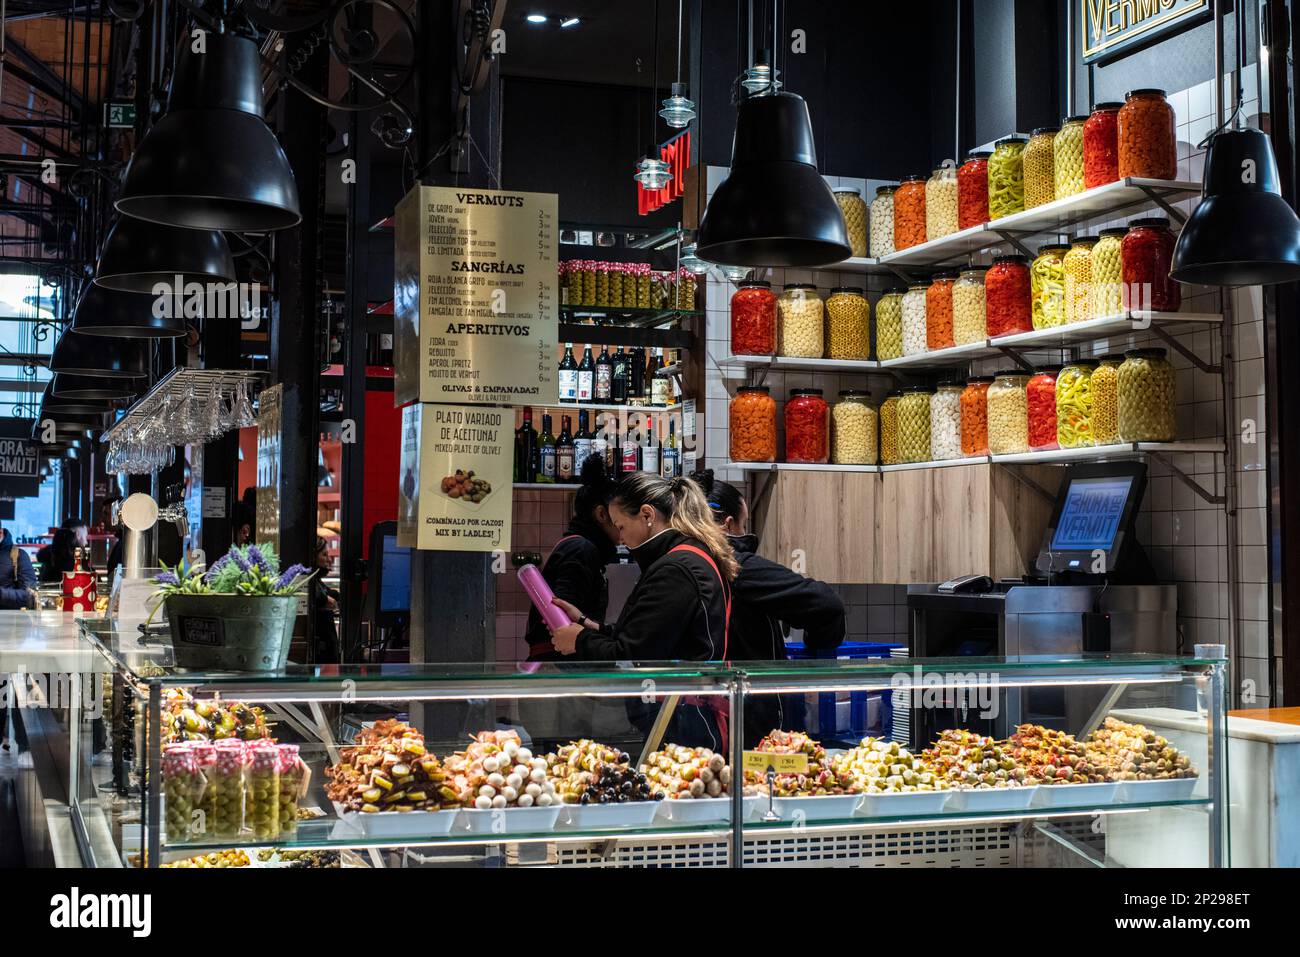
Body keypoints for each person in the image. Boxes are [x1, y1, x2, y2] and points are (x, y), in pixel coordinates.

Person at [548, 472, 738, 750]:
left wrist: (578, 640)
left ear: (647, 515)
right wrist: (590, 626)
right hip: (685, 718)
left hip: (685, 724)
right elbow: (651, 636)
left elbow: (633, 654)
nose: (620, 538)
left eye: (621, 526)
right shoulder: (687, 557)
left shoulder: (676, 568)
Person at [693, 469, 846, 746]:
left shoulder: (679, 564)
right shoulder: (737, 567)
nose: (746, 533)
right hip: (747, 722)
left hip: (695, 723)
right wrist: (817, 652)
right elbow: (826, 604)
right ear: (727, 525)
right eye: (744, 525)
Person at [523, 455, 620, 661]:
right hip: (560, 666)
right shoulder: (581, 550)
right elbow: (560, 620)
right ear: (602, 514)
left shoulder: (578, 546)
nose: (623, 523)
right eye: (620, 514)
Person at [312, 536, 340, 664]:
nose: (329, 559)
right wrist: (325, 600)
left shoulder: (318, 582)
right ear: (313, 557)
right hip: (320, 658)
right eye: (324, 554)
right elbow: (319, 597)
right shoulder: (310, 584)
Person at [0, 523, 37, 610]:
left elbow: (31, 596)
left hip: (6, 620)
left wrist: (1, 594)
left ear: (1, 532)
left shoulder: (18, 555)